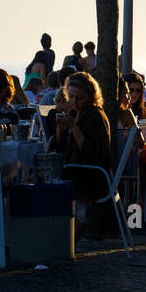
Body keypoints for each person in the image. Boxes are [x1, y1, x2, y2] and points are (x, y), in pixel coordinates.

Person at [56, 71, 117, 239]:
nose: (74, 102)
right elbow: (60, 148)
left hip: (91, 175)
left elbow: (92, 152)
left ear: (90, 97)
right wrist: (60, 129)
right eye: (71, 97)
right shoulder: (76, 113)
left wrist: (74, 128)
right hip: (78, 169)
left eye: (79, 98)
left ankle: (66, 237)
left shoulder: (95, 116)